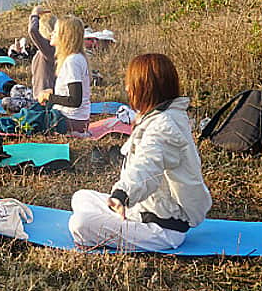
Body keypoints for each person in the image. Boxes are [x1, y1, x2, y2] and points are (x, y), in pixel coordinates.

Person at [69, 53, 212, 252]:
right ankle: (122, 217)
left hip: (161, 229)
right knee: (81, 197)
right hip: (142, 209)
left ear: (146, 88)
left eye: (131, 84)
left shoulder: (164, 127)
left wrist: (122, 196)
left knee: (80, 224)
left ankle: (121, 222)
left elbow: (147, 167)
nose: (127, 89)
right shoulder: (160, 117)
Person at [37, 15, 91, 134]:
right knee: (34, 110)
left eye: (55, 31)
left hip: (70, 121)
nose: (52, 34)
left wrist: (49, 98)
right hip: (71, 118)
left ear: (65, 37)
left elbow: (75, 100)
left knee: (20, 120)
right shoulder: (75, 58)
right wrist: (52, 93)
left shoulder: (72, 61)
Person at [28, 6, 57, 97]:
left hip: (44, 99)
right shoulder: (49, 49)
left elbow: (33, 31)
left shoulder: (49, 48)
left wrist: (35, 14)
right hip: (42, 95)